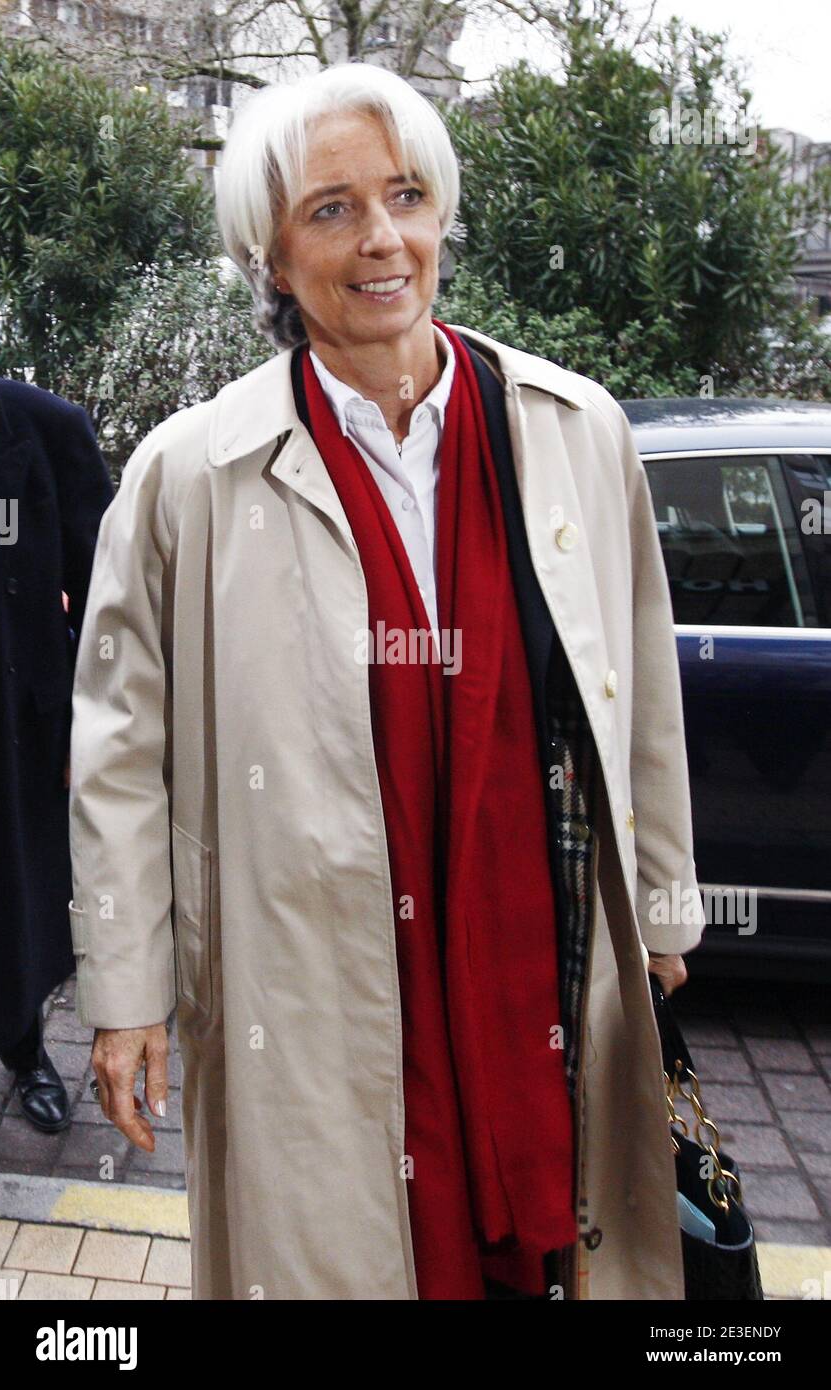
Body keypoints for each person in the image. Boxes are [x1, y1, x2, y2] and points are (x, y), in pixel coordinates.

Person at [68, 61, 706, 1301]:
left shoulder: (574, 428)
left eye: (406, 196)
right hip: (302, 966)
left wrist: (666, 906)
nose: (381, 241)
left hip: (536, 941)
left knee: (556, 1239)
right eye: (330, 209)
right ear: (268, 251)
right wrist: (128, 991)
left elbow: (638, 677)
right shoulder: (188, 476)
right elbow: (119, 749)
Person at [0, 374, 113, 1128]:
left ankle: (26, 1050)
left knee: (12, 890)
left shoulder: (40, 425)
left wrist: (87, 728)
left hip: (14, 718)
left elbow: (105, 596)